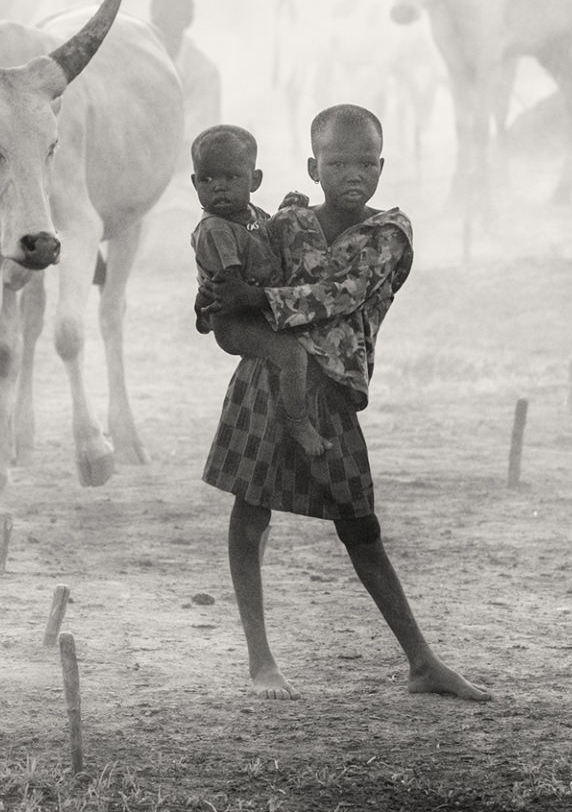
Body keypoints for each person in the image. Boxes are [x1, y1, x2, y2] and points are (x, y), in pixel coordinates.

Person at [203, 103, 491, 703]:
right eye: (337, 162)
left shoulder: (388, 234)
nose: (352, 173)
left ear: (382, 167)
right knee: (250, 510)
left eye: (365, 161)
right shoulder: (287, 223)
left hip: (331, 391)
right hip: (267, 378)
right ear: (314, 166)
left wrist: (257, 298)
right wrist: (219, 299)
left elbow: (341, 295)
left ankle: (421, 662)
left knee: (361, 526)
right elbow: (233, 270)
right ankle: (260, 660)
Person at [188, 124, 330, 459]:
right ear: (194, 183)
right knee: (293, 353)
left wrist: (286, 212)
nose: (219, 187)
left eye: (231, 178)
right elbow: (235, 286)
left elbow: (266, 238)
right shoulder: (216, 229)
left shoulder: (250, 215)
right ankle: (298, 422)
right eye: (207, 180)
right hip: (237, 321)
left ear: (255, 180)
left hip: (256, 307)